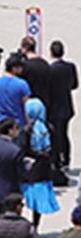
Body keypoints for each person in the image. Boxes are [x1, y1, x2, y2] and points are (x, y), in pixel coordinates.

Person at [21, 96, 60, 224]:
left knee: (25, 197)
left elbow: (23, 149)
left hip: (29, 169)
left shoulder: (27, 130)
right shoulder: (49, 128)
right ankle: (35, 225)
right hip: (44, 169)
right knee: (38, 201)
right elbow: (55, 148)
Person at [52, 41, 78, 170]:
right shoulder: (71, 67)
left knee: (56, 134)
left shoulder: (51, 69)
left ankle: (57, 159)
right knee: (64, 134)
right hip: (67, 104)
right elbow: (75, 85)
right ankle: (66, 159)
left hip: (55, 106)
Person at [0, 55, 32, 130]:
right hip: (18, 123)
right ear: (14, 68)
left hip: (1, 122)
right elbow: (27, 106)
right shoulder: (22, 84)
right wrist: (29, 123)